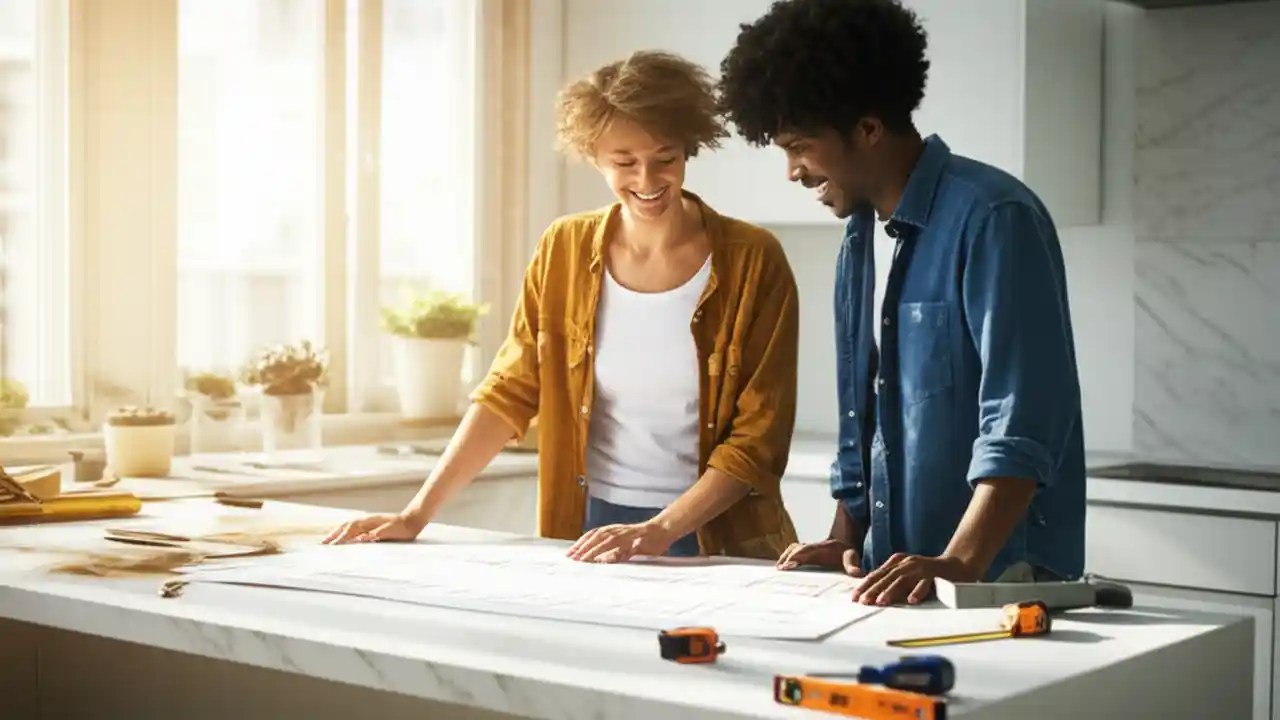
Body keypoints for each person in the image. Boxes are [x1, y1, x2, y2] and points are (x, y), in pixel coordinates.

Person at [325, 50, 800, 562]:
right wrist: (415, 514)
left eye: (666, 158)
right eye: (624, 163)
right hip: (590, 521)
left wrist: (661, 529)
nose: (647, 179)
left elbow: (758, 437)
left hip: (719, 531)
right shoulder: (564, 248)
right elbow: (510, 390)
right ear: (593, 155)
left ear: (689, 148)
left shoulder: (754, 260)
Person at [717, 0, 1086, 604]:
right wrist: (844, 538)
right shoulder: (857, 241)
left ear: (868, 129)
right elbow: (862, 420)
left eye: (800, 147)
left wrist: (958, 561)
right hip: (901, 583)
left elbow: (1021, 422)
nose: (791, 172)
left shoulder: (994, 217)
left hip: (1000, 584)